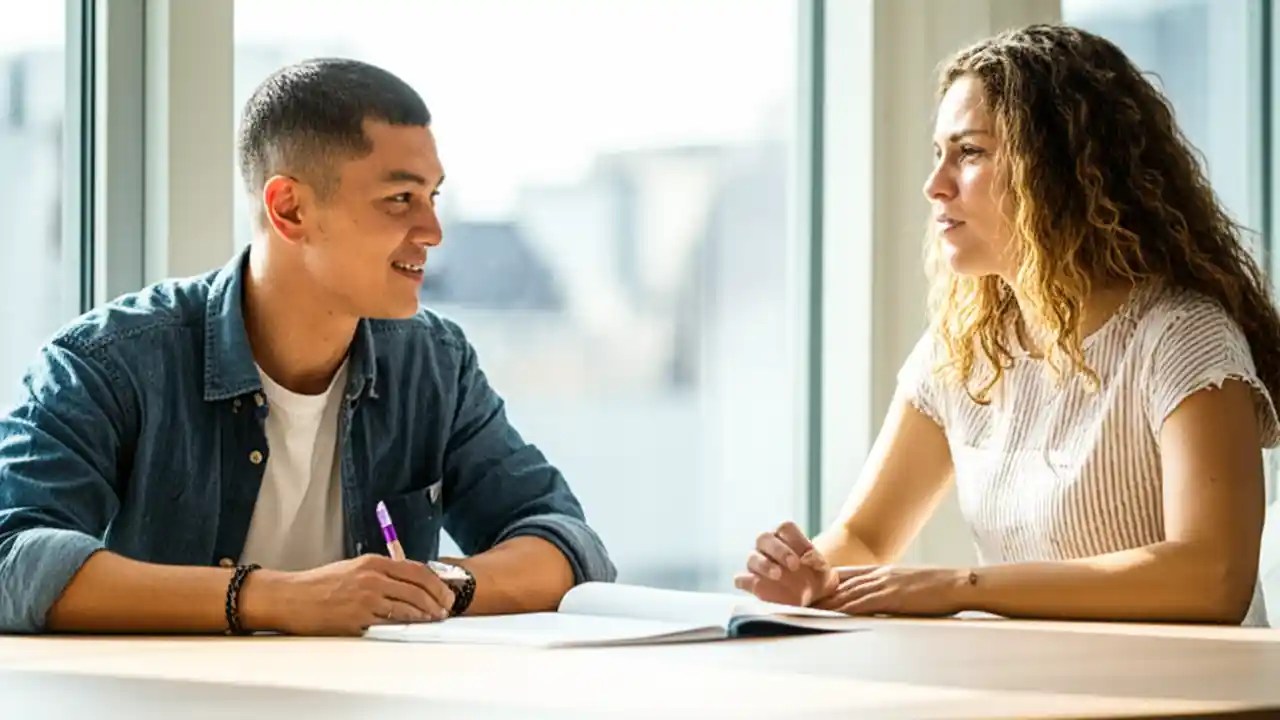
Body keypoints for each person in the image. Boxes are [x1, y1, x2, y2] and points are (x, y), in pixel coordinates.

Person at [0, 58, 614, 635]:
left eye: (433, 197)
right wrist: (279, 598)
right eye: (400, 199)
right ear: (289, 208)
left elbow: (566, 542)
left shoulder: (434, 363)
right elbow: (12, 556)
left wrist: (435, 585)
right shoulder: (110, 359)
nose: (432, 232)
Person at [736, 24, 1280, 626]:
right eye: (938, 153)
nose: (934, 183)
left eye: (969, 153)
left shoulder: (1184, 339)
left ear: (1059, 170)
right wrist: (814, 576)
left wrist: (963, 586)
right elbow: (865, 539)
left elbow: (1213, 577)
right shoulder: (964, 348)